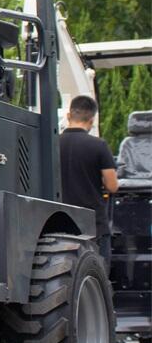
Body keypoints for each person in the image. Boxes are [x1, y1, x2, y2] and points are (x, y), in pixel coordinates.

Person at [59, 95, 119, 269]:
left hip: (59, 222)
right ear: (92, 120)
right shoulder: (99, 145)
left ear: (69, 116)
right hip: (93, 224)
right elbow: (112, 186)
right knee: (97, 273)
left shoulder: (52, 144)